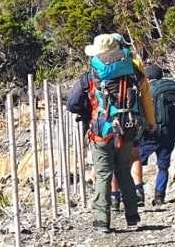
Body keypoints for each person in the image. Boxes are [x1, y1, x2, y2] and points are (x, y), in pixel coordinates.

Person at [66, 33, 156, 234]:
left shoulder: (92, 74)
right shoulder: (134, 69)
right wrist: (151, 122)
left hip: (101, 131)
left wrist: (87, 111)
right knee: (124, 170)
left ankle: (102, 220)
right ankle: (132, 216)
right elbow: (146, 98)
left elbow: (72, 103)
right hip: (128, 129)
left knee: (104, 174)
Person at [140, 64, 175, 206]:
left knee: (135, 162)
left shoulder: (149, 89)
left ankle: (137, 193)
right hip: (171, 132)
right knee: (163, 166)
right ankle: (159, 197)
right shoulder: (174, 87)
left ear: (148, 78)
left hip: (152, 133)